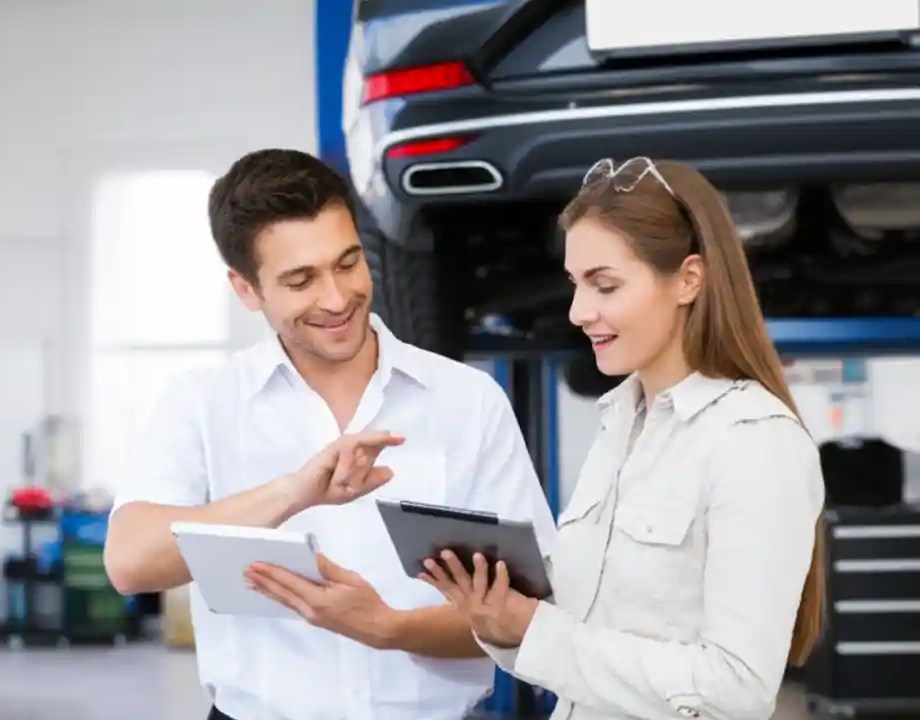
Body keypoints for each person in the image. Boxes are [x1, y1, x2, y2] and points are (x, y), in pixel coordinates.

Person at [102, 148, 558, 720]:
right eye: (300, 280)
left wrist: (389, 628)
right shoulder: (202, 402)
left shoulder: (467, 401)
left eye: (347, 263)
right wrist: (294, 493)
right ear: (246, 289)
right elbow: (130, 562)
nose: (338, 298)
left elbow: (533, 616)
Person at [422, 157, 826, 720]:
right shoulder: (619, 424)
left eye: (604, 285)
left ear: (688, 280)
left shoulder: (754, 443)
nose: (578, 312)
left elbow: (736, 689)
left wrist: (539, 633)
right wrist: (503, 620)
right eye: (575, 284)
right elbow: (588, 632)